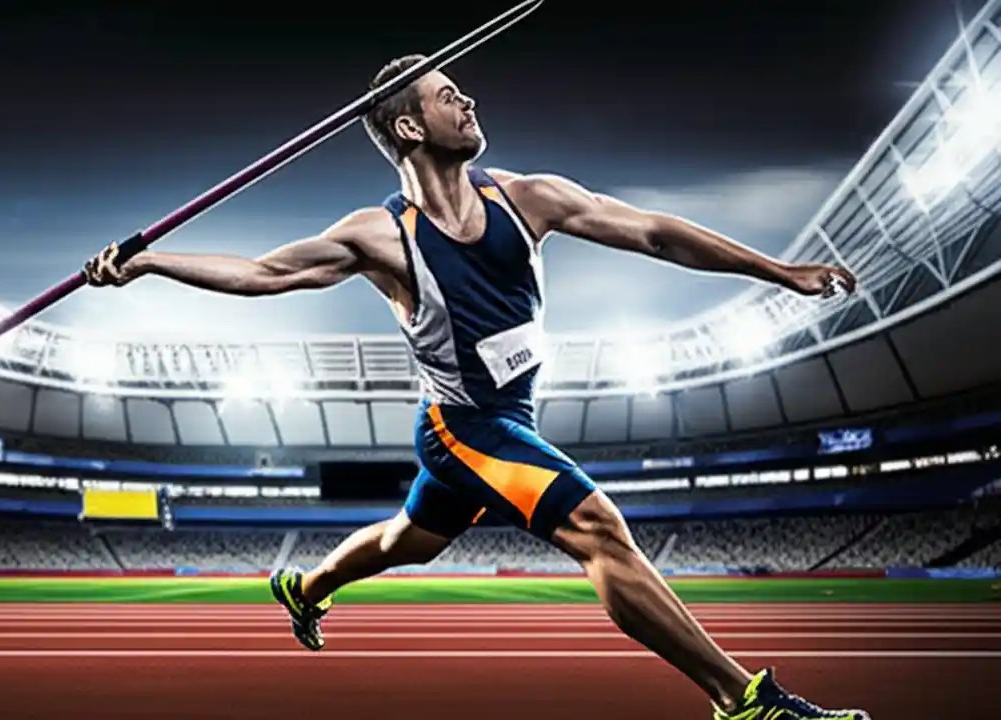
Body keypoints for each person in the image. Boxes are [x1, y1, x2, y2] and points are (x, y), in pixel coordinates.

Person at [84, 54, 866, 720]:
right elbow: (261, 273)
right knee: (596, 526)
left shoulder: (528, 198)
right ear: (409, 128)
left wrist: (778, 270)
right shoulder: (381, 235)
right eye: (446, 94)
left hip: (506, 421)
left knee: (405, 542)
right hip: (464, 428)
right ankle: (742, 698)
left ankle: (306, 584)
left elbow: (655, 231)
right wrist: (151, 261)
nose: (468, 100)